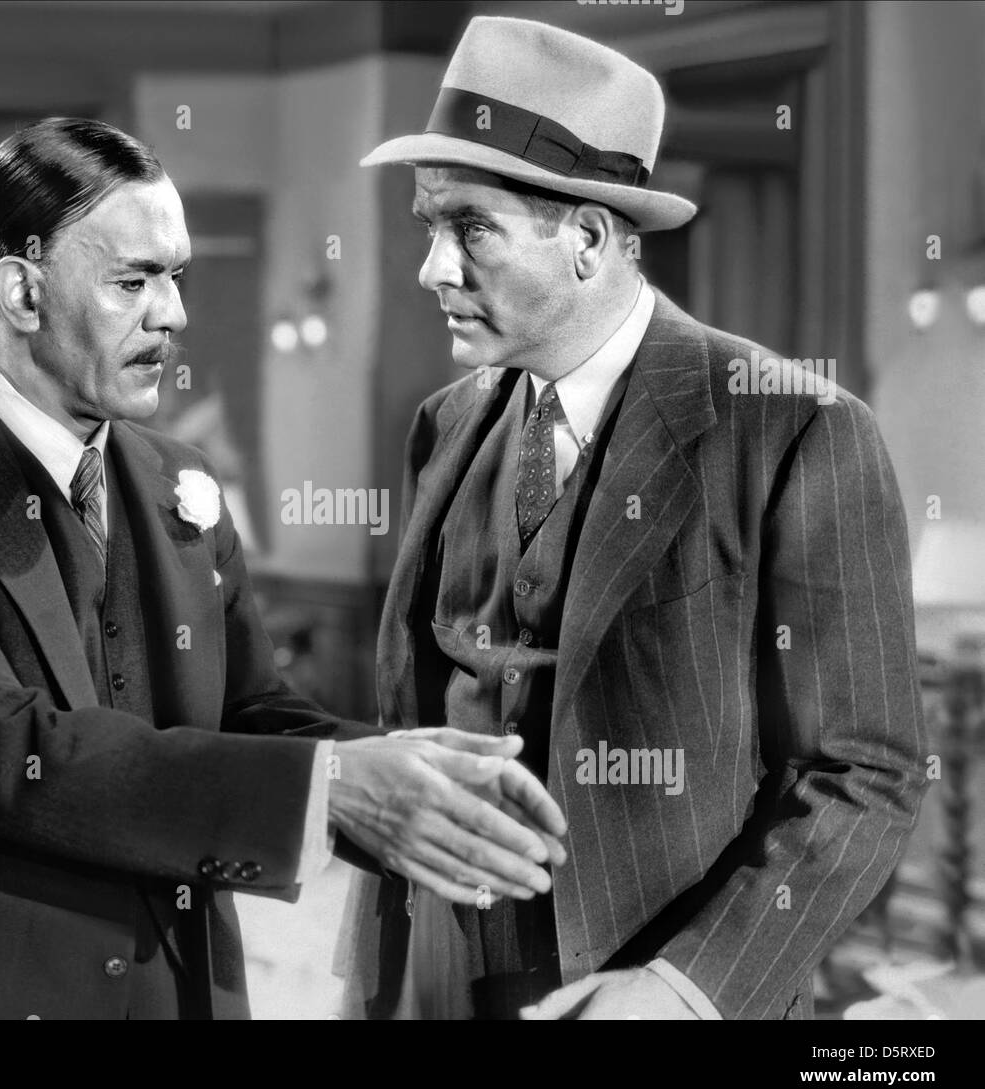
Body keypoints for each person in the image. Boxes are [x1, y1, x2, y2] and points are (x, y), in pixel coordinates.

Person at [0, 117, 565, 1020]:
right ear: (22, 293)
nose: (174, 313)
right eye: (134, 281)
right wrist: (332, 791)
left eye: (176, 277)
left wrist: (391, 761)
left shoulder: (181, 481)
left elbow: (252, 715)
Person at [338, 17, 926, 1020]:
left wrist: (684, 990)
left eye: (468, 227)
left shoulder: (793, 430)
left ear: (588, 240)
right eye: (425, 227)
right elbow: (417, 719)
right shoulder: (444, 425)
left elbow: (863, 772)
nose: (432, 268)